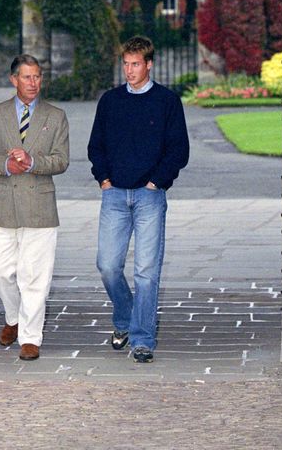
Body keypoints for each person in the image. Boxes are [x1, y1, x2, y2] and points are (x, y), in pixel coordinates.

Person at [87, 35, 189, 363]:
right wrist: (103, 178)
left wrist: (156, 182)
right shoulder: (110, 101)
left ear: (149, 65)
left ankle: (141, 339)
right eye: (125, 64)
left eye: (135, 64)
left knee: (146, 271)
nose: (129, 70)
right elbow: (95, 145)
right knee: (107, 266)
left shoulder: (167, 101)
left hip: (149, 197)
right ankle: (126, 317)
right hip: (114, 194)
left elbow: (179, 150)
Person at [0, 53, 69, 361]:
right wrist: (5, 164)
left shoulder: (56, 117)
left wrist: (32, 163)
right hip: (0, 205)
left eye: (38, 76)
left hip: (39, 207)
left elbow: (61, 160)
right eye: (27, 77)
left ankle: (30, 338)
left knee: (34, 277)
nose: (34, 83)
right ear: (14, 80)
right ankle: (13, 316)